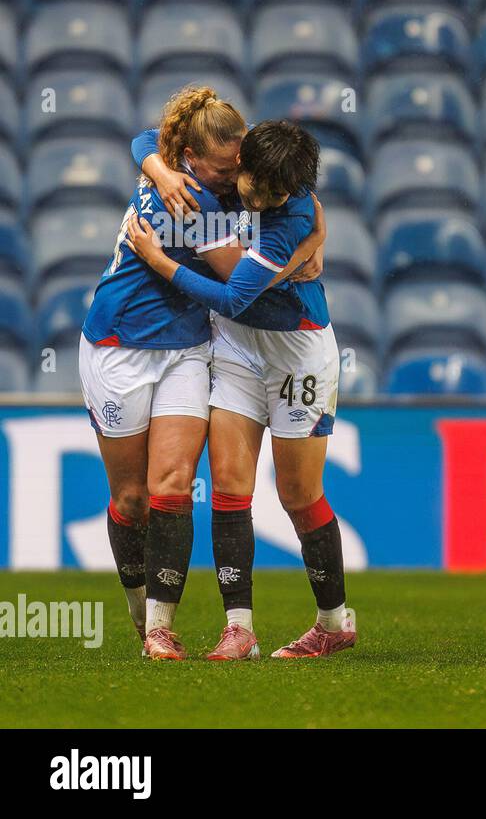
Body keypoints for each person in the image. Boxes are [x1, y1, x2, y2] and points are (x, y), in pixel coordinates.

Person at [80, 87, 322, 659]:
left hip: (188, 348)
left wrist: (316, 232)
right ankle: (140, 606)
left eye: (240, 160)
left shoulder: (192, 170)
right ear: (190, 158)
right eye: (225, 165)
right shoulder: (193, 201)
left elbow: (149, 138)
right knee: (132, 497)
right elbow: (241, 287)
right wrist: (304, 246)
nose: (240, 173)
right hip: (118, 343)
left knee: (170, 486)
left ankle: (160, 629)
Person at [127, 120, 353, 661]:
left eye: (275, 193)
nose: (258, 196)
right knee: (228, 485)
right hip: (235, 351)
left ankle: (333, 622)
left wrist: (159, 261)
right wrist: (159, 170)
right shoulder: (240, 156)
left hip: (296, 352)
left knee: (299, 496)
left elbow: (232, 298)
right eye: (255, 182)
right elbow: (149, 136)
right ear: (242, 157)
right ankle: (239, 629)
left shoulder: (290, 216)